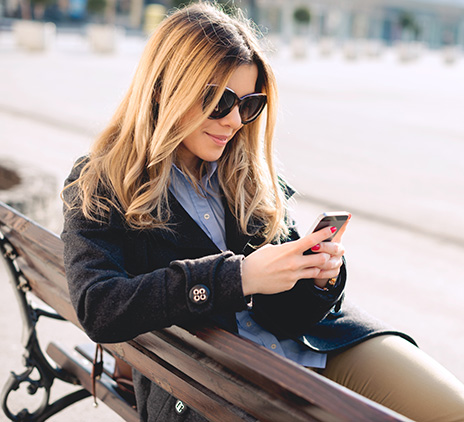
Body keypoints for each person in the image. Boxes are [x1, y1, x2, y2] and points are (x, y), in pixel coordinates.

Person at [61, 2, 464, 421]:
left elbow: (286, 314)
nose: (235, 120)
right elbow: (99, 306)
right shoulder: (105, 180)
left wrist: (317, 279)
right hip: (209, 380)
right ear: (165, 89)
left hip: (319, 346)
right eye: (220, 101)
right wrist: (238, 276)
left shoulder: (245, 174)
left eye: (249, 104)